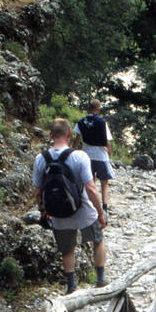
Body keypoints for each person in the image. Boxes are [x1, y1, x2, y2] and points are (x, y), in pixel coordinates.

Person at [34, 118, 107, 295]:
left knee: (67, 248)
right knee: (98, 240)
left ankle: (71, 285)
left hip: (58, 211)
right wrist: (100, 213)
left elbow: (37, 191)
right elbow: (90, 188)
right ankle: (100, 279)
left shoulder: (40, 158)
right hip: (83, 210)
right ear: (68, 134)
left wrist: (43, 210)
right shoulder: (79, 156)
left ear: (51, 135)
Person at [73, 98, 114, 217]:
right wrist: (109, 149)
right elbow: (107, 140)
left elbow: (76, 140)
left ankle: (90, 206)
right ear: (98, 108)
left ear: (88, 108)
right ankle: (104, 207)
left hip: (86, 156)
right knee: (104, 182)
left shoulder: (81, 122)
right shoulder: (102, 122)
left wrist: (73, 152)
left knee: (90, 182)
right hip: (101, 156)